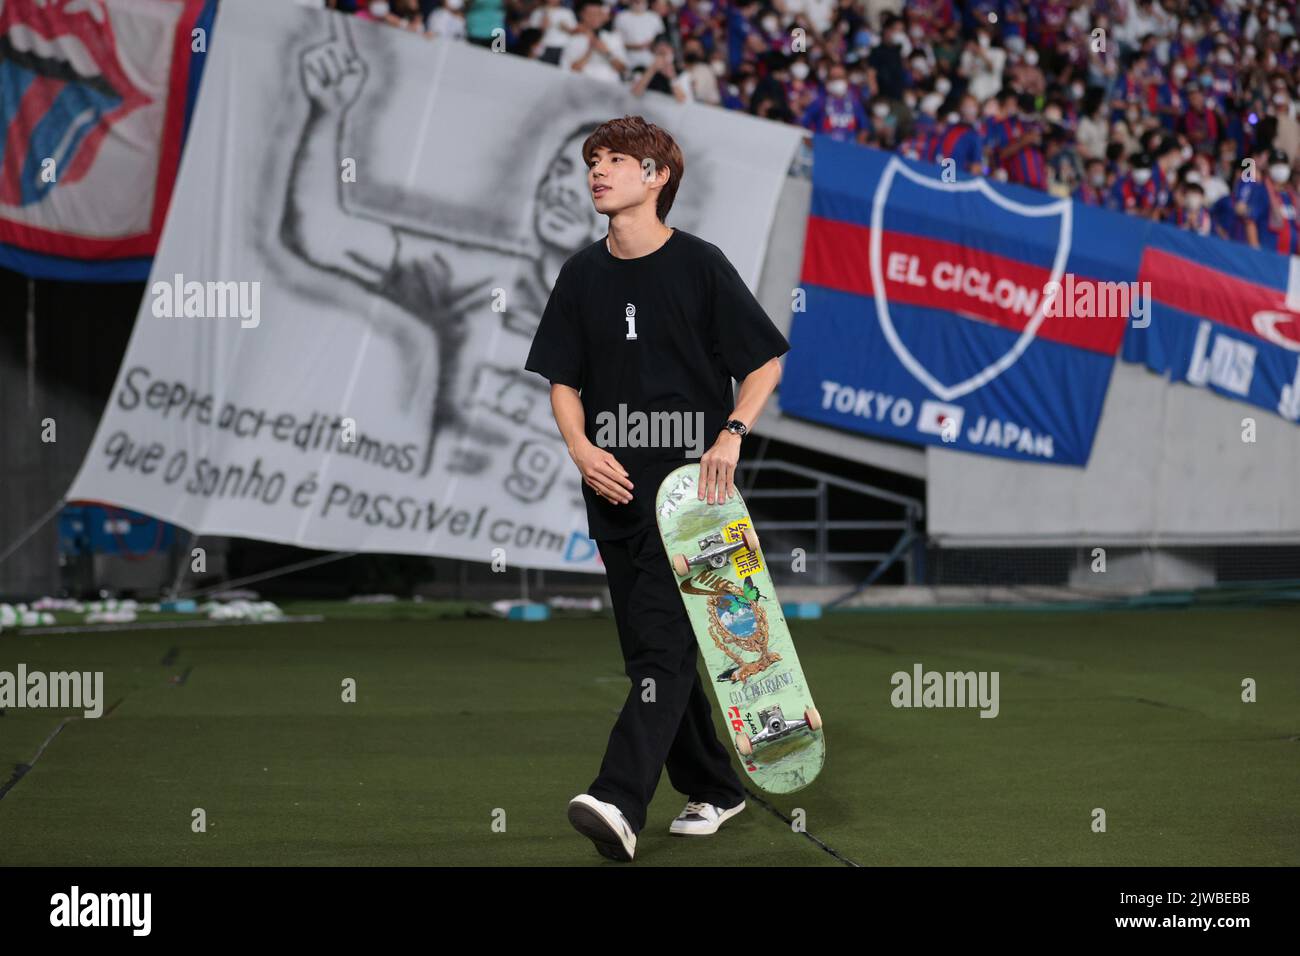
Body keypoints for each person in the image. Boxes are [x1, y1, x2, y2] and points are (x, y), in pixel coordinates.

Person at [524, 115, 789, 862]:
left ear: (657, 176)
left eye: (613, 160)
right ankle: (718, 785)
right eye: (593, 162)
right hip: (614, 498)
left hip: (694, 502)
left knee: (662, 653)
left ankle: (618, 798)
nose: (597, 172)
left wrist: (731, 432)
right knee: (654, 650)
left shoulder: (701, 265)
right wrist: (579, 448)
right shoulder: (580, 274)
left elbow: (764, 362)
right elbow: (564, 381)